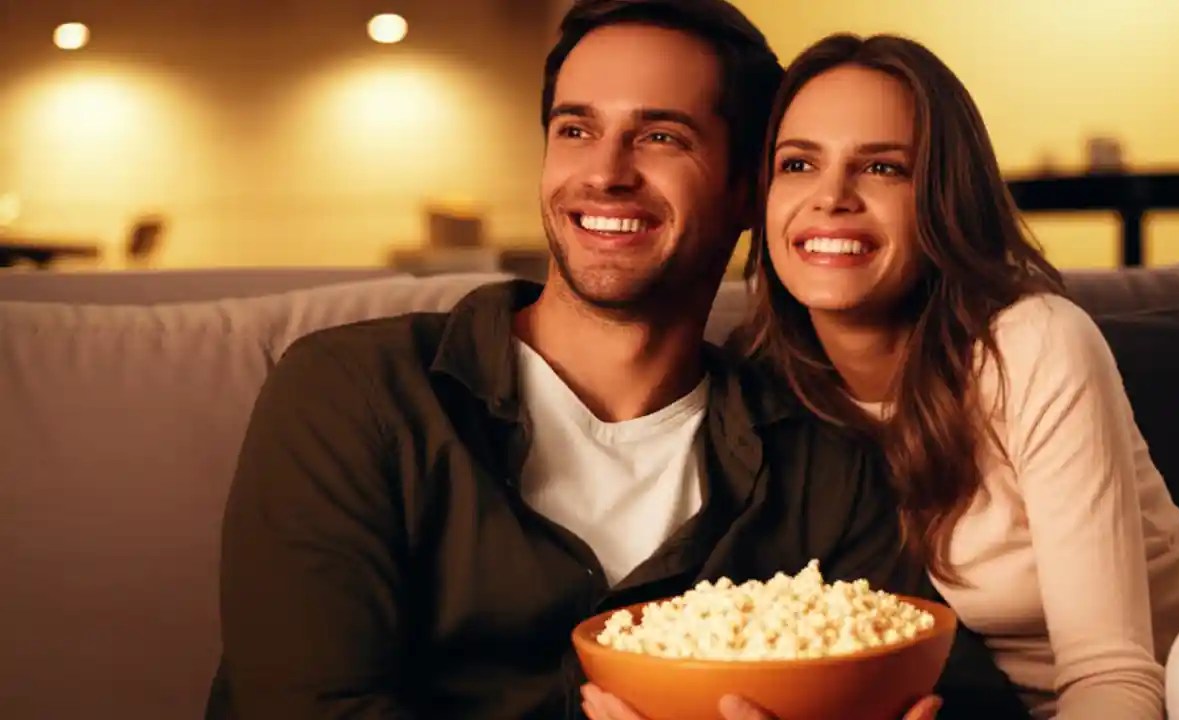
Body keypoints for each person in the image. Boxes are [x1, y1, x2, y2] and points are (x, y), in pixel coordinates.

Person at [207, 3, 1029, 719]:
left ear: (753, 189)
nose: (603, 173)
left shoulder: (820, 457)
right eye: (575, 129)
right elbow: (308, 705)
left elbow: (955, 695)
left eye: (660, 135)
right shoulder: (356, 394)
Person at [740, 31, 1179, 720]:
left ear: (942, 196)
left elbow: (1113, 674)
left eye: (882, 169)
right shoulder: (762, 392)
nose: (832, 197)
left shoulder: (1032, 344)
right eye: (798, 163)